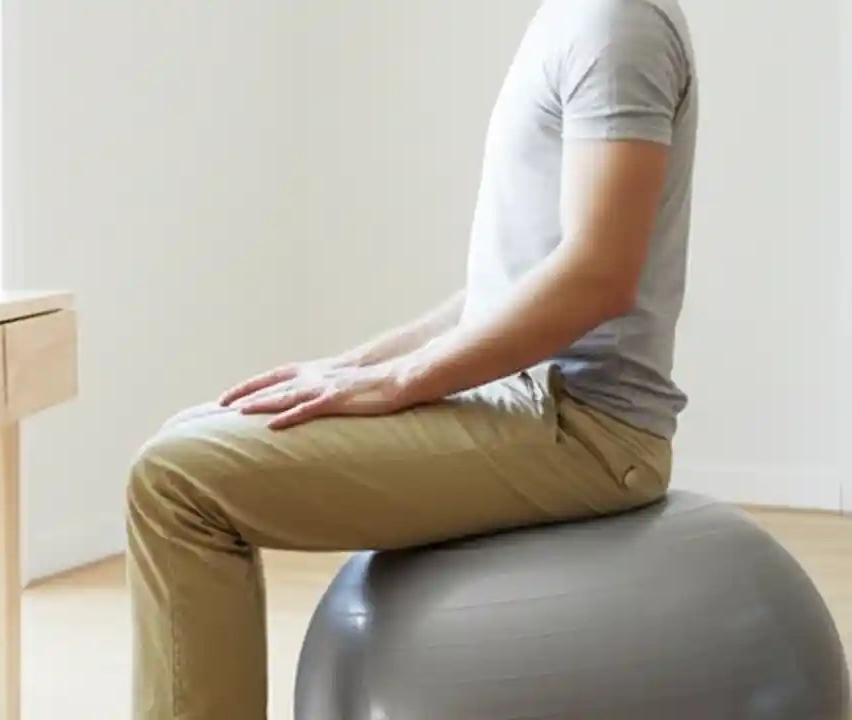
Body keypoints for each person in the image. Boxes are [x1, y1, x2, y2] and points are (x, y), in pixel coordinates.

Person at [127, 0, 698, 717]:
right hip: (536, 401)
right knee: (187, 439)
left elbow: (597, 275)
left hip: (588, 429)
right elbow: (505, 292)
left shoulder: (616, 22)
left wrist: (397, 382)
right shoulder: (572, 18)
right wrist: (348, 367)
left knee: (176, 483)